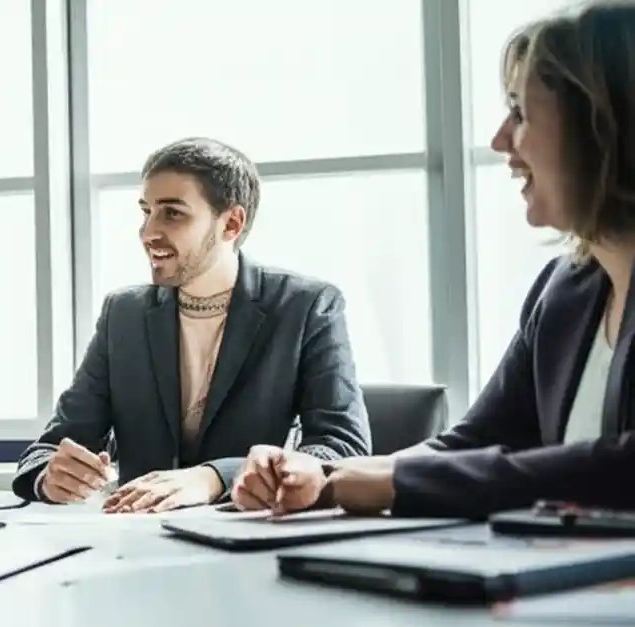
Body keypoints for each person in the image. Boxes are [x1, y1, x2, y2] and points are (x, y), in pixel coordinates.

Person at [240, 1, 635, 518]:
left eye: (519, 112)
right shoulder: (567, 289)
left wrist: (397, 482)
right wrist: (324, 477)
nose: (499, 141)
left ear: (602, 125)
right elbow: (476, 441)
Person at [13, 137, 371, 511]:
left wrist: (215, 476)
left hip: (249, 536)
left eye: (172, 213)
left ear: (231, 223)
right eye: (145, 211)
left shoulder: (305, 306)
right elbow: (50, 447)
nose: (148, 232)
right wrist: (49, 476)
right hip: (134, 539)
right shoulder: (123, 313)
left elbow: (342, 448)